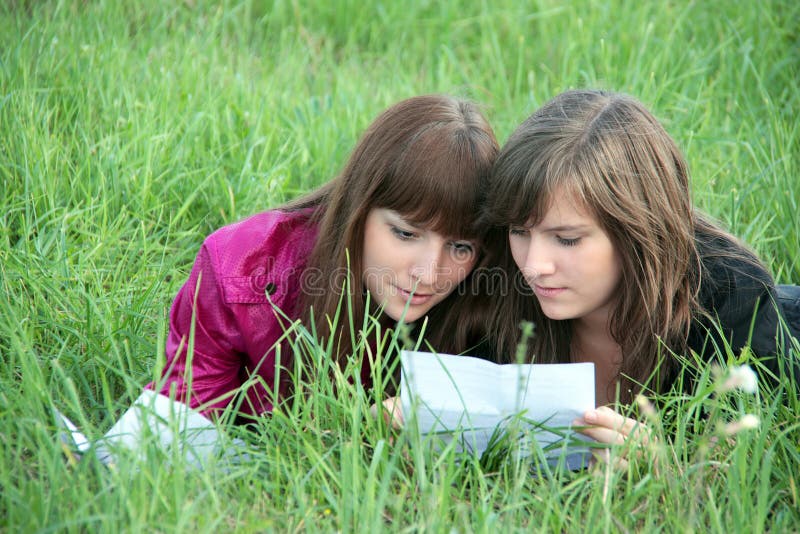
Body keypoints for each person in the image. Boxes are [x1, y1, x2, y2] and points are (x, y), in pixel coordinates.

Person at [145, 94, 500, 422]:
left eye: (460, 247)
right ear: (359, 208)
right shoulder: (242, 269)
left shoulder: (490, 288)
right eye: (405, 234)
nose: (428, 273)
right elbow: (181, 428)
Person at [482, 89, 799, 453]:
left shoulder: (731, 300)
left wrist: (664, 464)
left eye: (567, 239)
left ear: (635, 233)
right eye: (519, 232)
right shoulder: (498, 279)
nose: (534, 266)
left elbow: (747, 463)